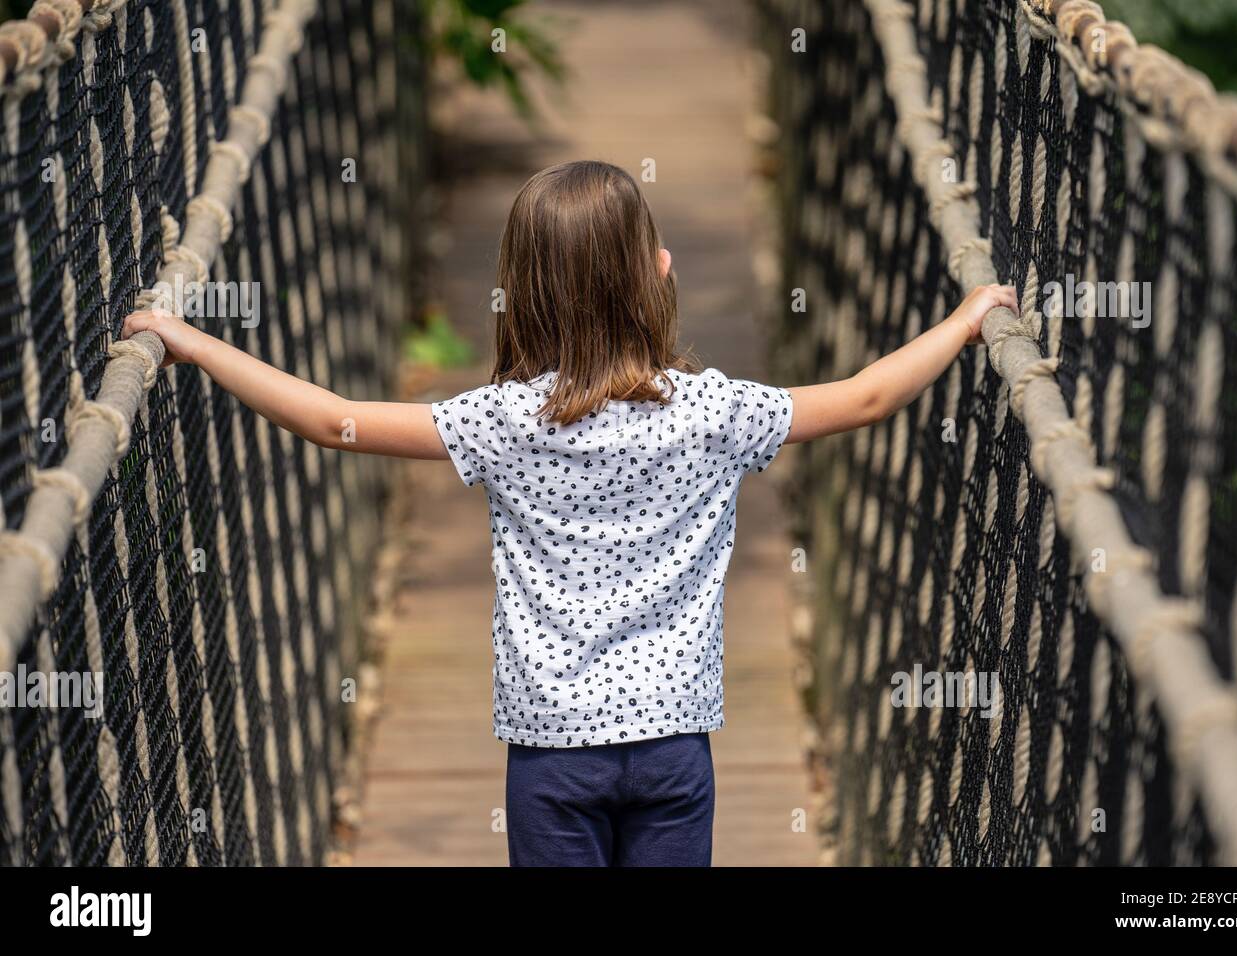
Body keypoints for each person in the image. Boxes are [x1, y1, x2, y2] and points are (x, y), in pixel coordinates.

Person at [122, 159, 1018, 866]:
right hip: (674, 749)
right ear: (655, 276)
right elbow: (864, 399)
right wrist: (965, 320)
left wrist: (196, 344)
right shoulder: (713, 411)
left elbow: (331, 422)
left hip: (553, 757)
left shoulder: (504, 421)